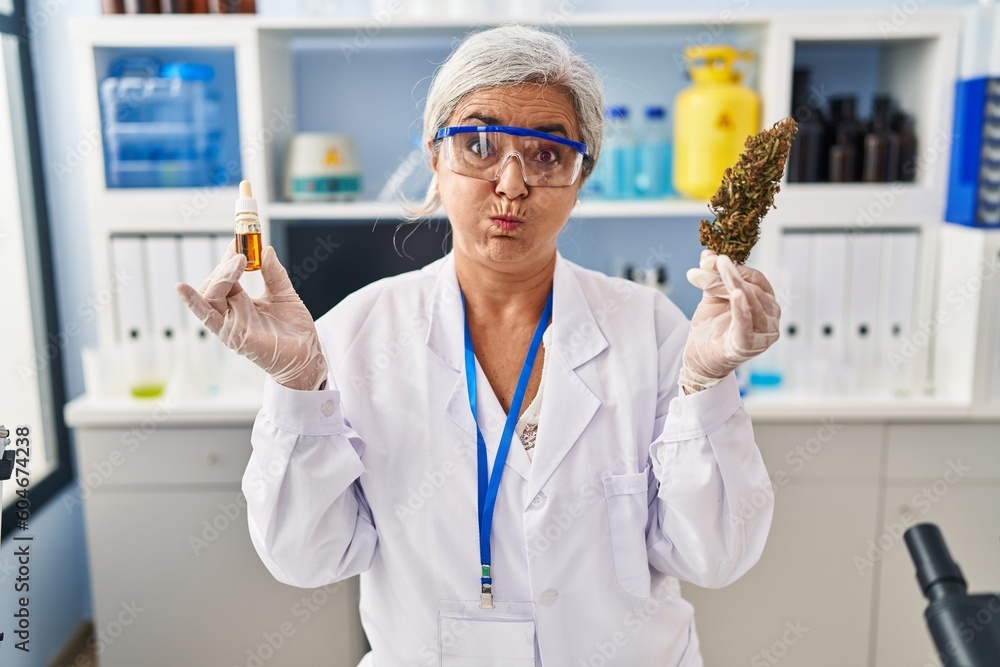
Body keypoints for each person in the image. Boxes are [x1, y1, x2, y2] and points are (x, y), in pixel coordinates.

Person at [177, 24, 779, 667]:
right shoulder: (357, 334)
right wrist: (298, 389)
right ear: (436, 159)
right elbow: (307, 556)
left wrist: (706, 389)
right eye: (480, 144)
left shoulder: (652, 330)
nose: (512, 184)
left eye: (547, 154)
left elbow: (714, 555)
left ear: (582, 177)